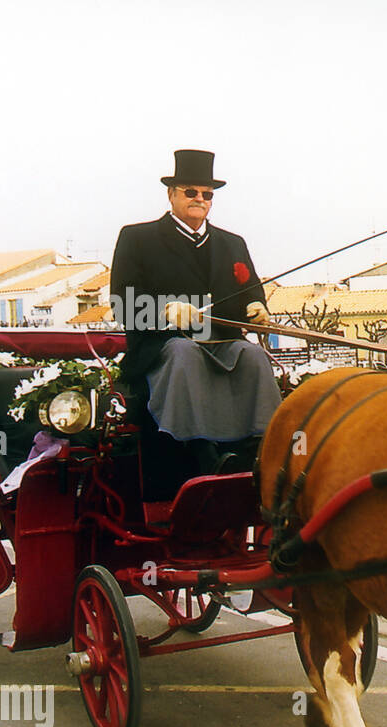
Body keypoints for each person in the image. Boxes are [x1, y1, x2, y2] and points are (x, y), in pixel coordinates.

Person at [110, 149, 282, 497]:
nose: (199, 199)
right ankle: (202, 452)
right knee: (184, 351)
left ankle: (261, 448)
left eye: (207, 194)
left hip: (221, 344)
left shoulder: (233, 243)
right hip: (162, 349)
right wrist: (164, 313)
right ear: (171, 194)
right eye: (191, 192)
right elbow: (122, 306)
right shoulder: (137, 238)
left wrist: (257, 306)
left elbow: (251, 292)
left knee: (253, 357)